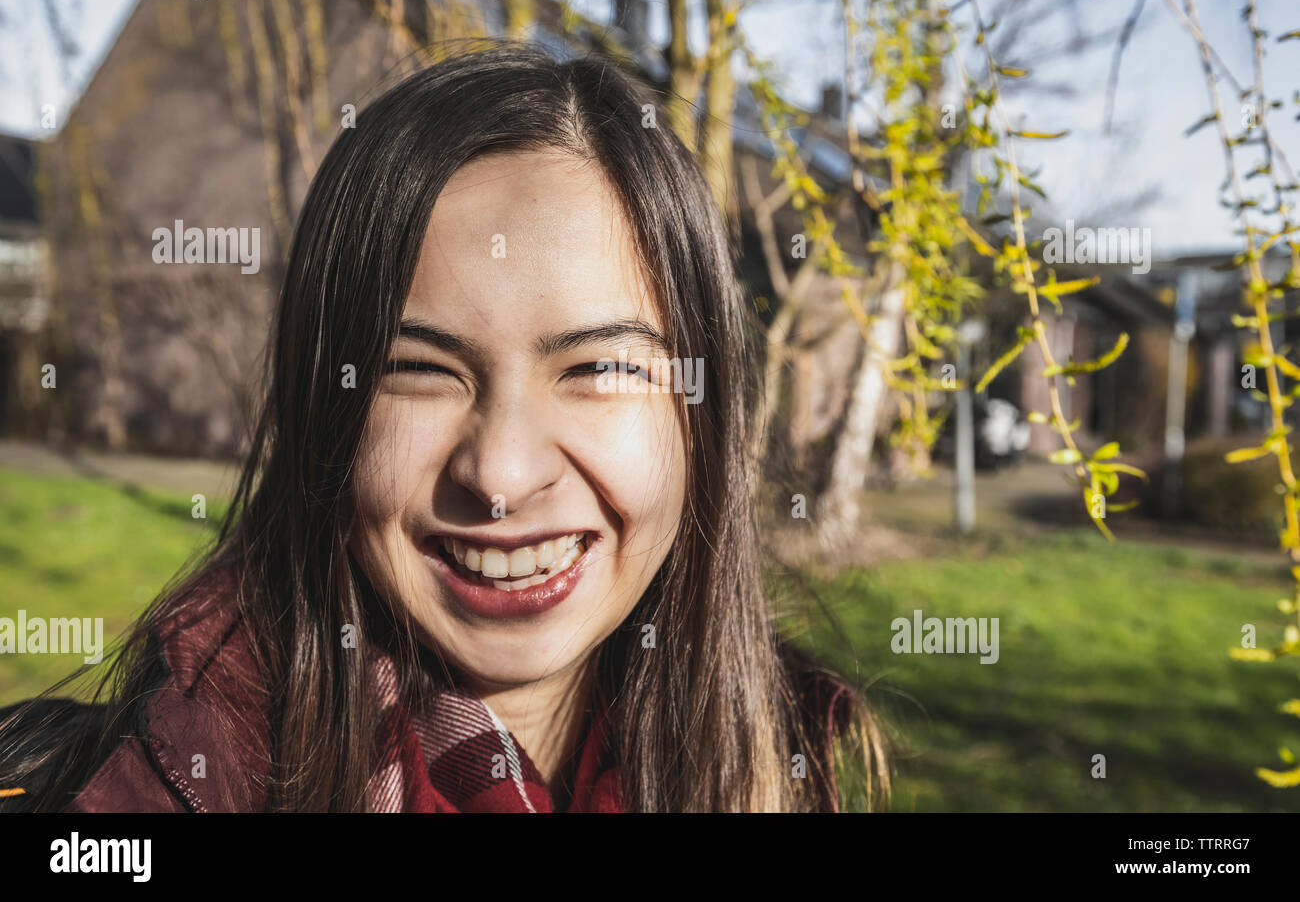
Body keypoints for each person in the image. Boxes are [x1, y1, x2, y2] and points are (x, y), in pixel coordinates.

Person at [0, 42, 886, 812]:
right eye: (419, 370)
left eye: (599, 369)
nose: (500, 473)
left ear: (704, 416)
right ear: (325, 415)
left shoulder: (787, 772)